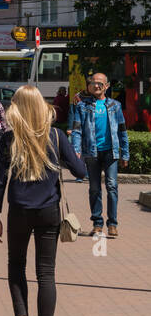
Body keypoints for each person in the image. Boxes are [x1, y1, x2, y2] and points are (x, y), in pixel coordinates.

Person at [0, 86, 86, 316]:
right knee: (46, 273)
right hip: (48, 211)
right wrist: (71, 153)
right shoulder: (55, 136)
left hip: (19, 210)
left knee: (16, 265)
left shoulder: (10, 138)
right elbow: (79, 171)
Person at [68, 72, 129, 238]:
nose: (96, 86)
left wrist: (125, 153)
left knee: (112, 186)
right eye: (93, 83)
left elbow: (123, 131)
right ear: (89, 86)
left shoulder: (115, 105)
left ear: (107, 86)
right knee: (94, 188)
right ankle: (97, 223)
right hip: (91, 152)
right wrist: (76, 149)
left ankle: (113, 224)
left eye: (100, 83)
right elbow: (77, 130)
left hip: (111, 152)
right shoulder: (82, 106)